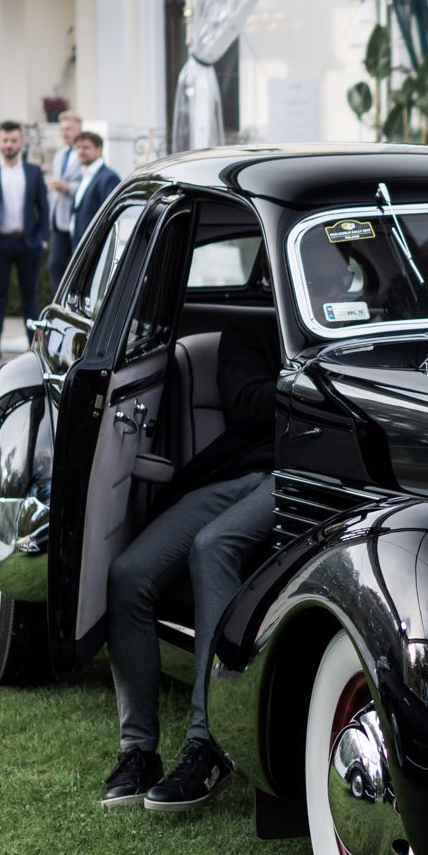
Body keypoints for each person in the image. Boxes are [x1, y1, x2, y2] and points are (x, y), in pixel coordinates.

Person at [101, 316, 281, 811]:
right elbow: (245, 405)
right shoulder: (260, 326)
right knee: (130, 574)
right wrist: (312, 381)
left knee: (213, 545)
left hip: (310, 471)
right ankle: (137, 750)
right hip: (237, 469)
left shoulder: (369, 323)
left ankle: (208, 743)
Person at [0, 121, 50, 360]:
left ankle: (34, 347)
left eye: (13, 140)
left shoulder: (33, 172)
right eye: (5, 141)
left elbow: (43, 209)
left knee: (30, 297)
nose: (9, 145)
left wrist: (41, 239)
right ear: (0, 141)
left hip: (27, 243)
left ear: (21, 142)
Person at [43, 113, 84, 287]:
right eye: (62, 129)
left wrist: (67, 188)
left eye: (68, 129)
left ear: (79, 128)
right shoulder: (60, 154)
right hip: (58, 219)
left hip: (77, 218)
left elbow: (89, 183)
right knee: (55, 265)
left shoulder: (85, 152)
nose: (64, 133)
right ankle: (57, 306)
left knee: (77, 268)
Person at [68, 131, 120, 246]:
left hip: (94, 244)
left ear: (99, 149)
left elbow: (110, 215)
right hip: (79, 241)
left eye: (86, 148)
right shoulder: (85, 174)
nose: (81, 152)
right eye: (78, 148)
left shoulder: (109, 177)